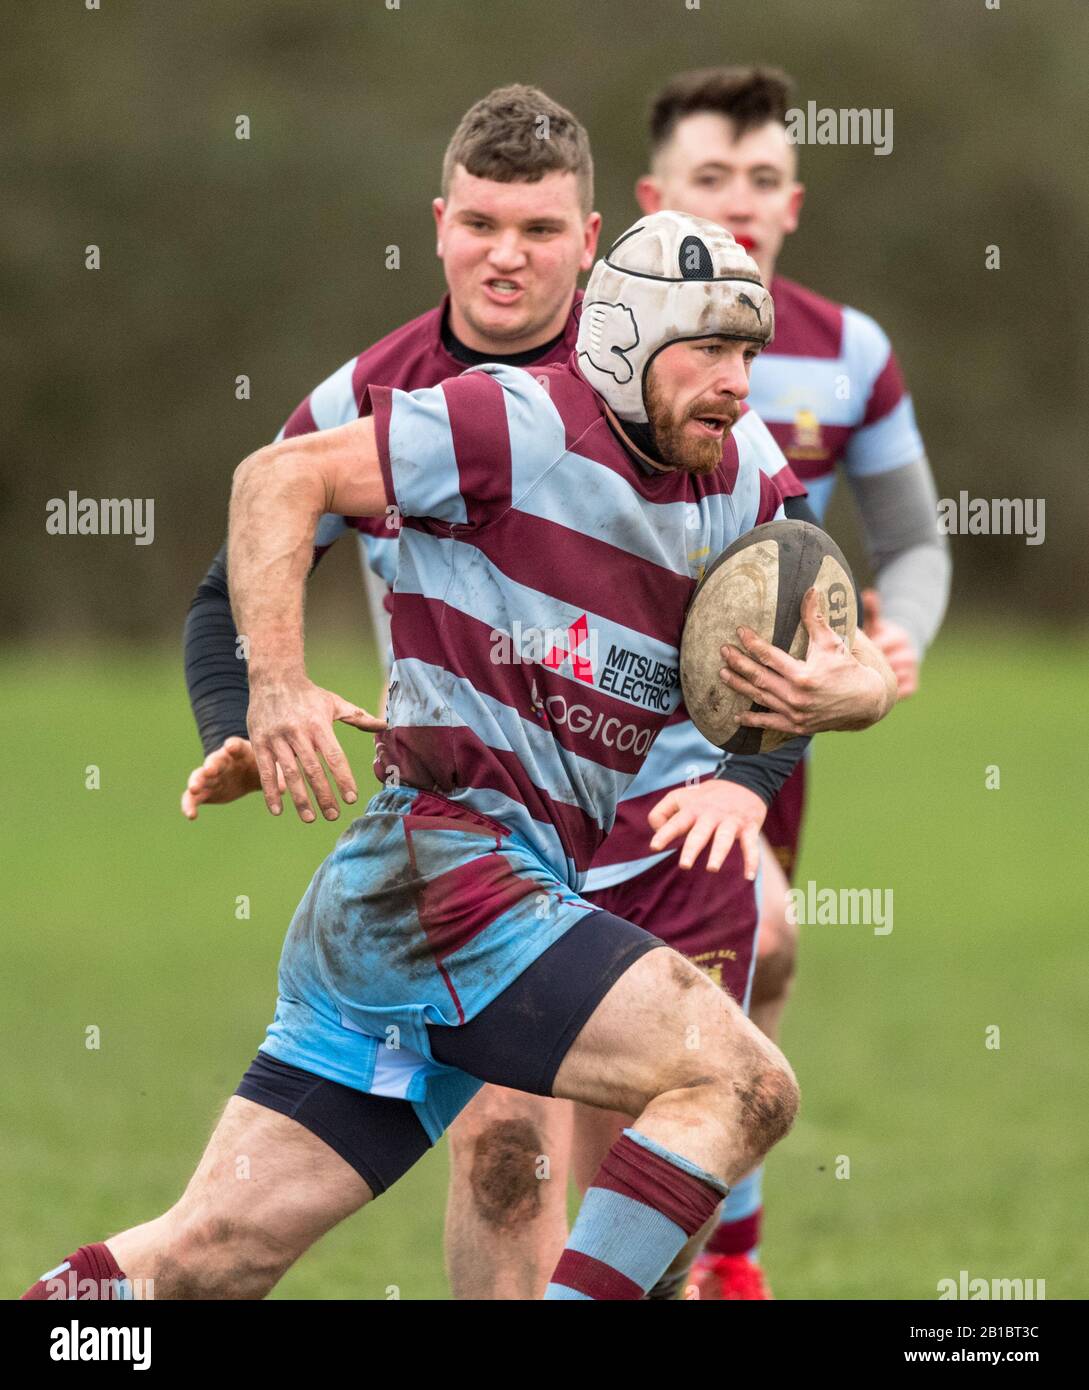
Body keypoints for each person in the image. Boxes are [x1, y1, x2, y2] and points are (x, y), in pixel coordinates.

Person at [21, 210, 897, 1301]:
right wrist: (277, 686)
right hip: (448, 876)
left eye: (748, 353)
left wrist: (844, 691)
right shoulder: (512, 420)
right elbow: (274, 480)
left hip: (405, 916)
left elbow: (845, 647)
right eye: (708, 349)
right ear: (624, 338)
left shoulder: (736, 471)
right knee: (742, 1084)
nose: (735, 380)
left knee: (207, 1257)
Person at [176, 86, 824, 1300]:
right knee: (508, 1155)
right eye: (480, 225)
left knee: (675, 1177)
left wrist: (772, 751)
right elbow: (236, 569)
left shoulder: (689, 398)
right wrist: (257, 704)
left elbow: (788, 613)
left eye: (538, 230)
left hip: (662, 836)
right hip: (485, 839)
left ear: (591, 243)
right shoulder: (377, 393)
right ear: (438, 226)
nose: (506, 255)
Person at [630, 65, 951, 1297]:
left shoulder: (845, 352)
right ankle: (695, 1257)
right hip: (610, 724)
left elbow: (914, 541)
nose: (740, 203)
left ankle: (720, 1249)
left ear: (795, 204)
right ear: (658, 196)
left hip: (767, 721)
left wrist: (901, 629)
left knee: (741, 963)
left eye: (763, 181)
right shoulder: (611, 348)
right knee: (740, 942)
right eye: (713, 179)